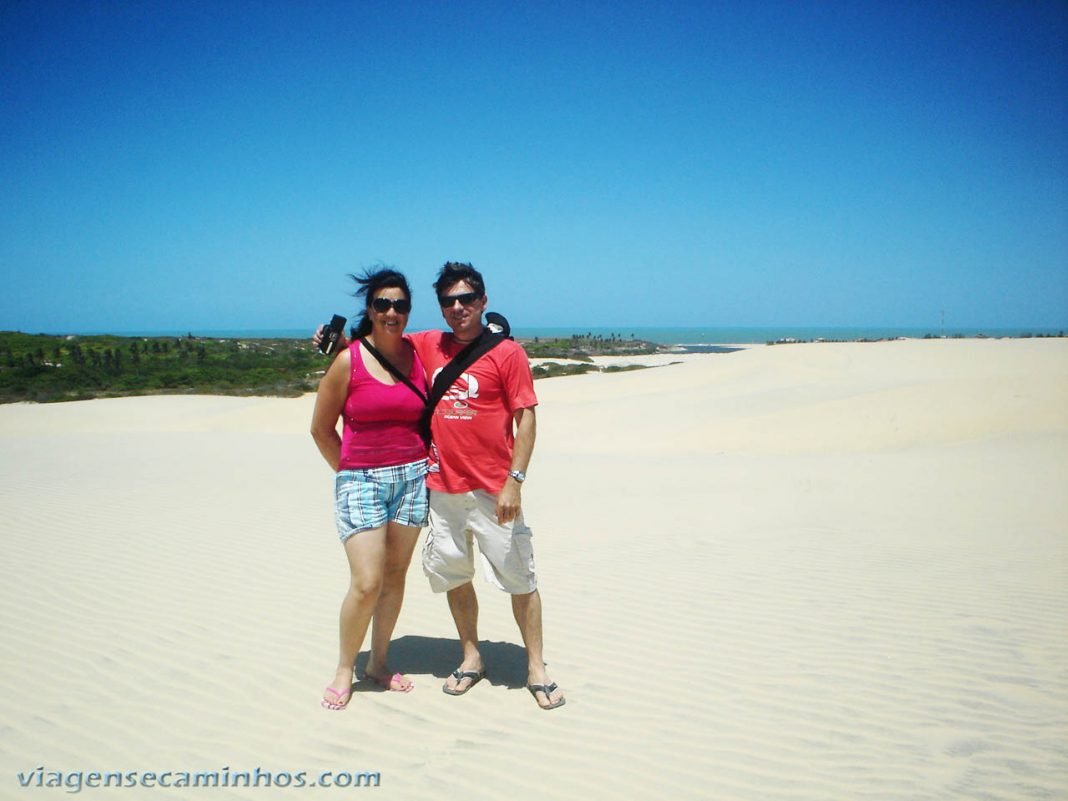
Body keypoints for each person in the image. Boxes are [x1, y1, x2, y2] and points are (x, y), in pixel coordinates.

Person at [407, 262, 565, 710]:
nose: (458, 307)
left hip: (495, 490)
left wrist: (515, 481)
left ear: (483, 301)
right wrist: (338, 341)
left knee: (520, 578)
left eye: (467, 298)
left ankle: (536, 665)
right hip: (442, 488)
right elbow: (382, 345)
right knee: (455, 575)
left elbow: (526, 416)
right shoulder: (427, 344)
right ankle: (472, 656)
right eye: (449, 301)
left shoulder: (507, 353)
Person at [310, 268, 429, 710]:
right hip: (361, 480)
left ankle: (379, 662)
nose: (392, 312)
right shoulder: (349, 361)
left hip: (413, 478)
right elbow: (321, 430)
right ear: (370, 309)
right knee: (366, 581)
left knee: (395, 577)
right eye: (382, 304)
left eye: (400, 304)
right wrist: (350, 472)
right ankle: (346, 668)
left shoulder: (419, 355)